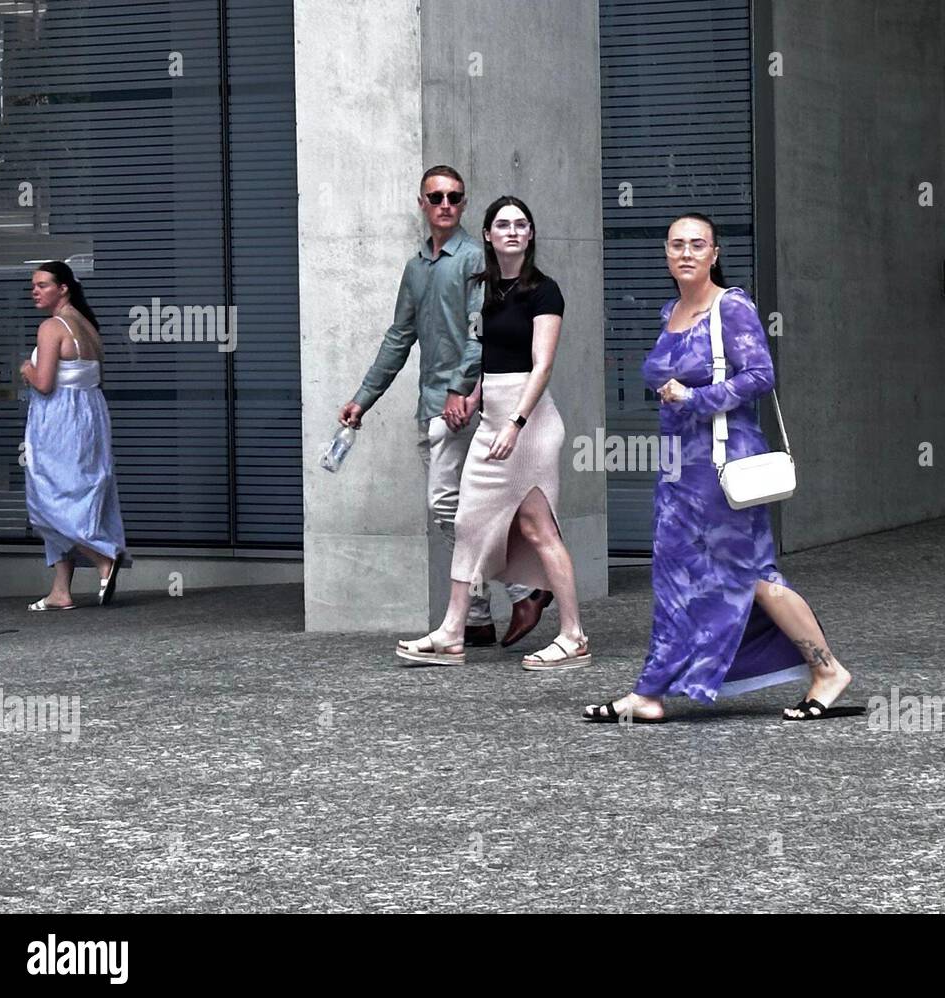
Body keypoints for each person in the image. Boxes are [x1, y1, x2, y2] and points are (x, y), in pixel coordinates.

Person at [582, 212, 852, 723]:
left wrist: (695, 395)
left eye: (697, 244)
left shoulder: (732, 307)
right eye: (676, 245)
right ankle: (651, 690)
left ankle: (829, 670)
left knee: (751, 573)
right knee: (672, 575)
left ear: (714, 253)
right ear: (665, 253)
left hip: (724, 464)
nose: (686, 253)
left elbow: (761, 376)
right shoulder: (670, 311)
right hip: (678, 469)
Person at [338, 166, 553, 649]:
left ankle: (524, 588)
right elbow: (399, 337)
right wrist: (363, 398)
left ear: (463, 204)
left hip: (468, 405)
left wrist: (462, 389)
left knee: (450, 508)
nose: (445, 204)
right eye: (436, 196)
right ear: (422, 202)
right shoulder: (416, 267)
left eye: (454, 197)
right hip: (431, 404)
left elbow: (484, 333)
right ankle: (477, 615)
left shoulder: (478, 260)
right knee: (457, 513)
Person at [398, 197, 589, 668]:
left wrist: (517, 423)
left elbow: (541, 365)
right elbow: (490, 360)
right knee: (466, 523)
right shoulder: (486, 289)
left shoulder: (544, 291)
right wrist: (473, 397)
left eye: (521, 225)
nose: (511, 231)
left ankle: (574, 635)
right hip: (492, 419)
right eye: (502, 224)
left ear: (530, 235)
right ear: (487, 234)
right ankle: (450, 633)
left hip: (530, 423)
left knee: (538, 529)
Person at [20, 261, 126, 610]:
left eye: (43, 285)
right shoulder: (88, 326)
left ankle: (102, 559)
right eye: (33, 285)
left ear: (63, 288)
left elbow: (45, 383)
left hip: (59, 421)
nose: (35, 291)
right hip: (90, 416)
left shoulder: (52, 327)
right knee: (77, 491)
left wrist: (27, 369)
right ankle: (60, 591)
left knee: (47, 501)